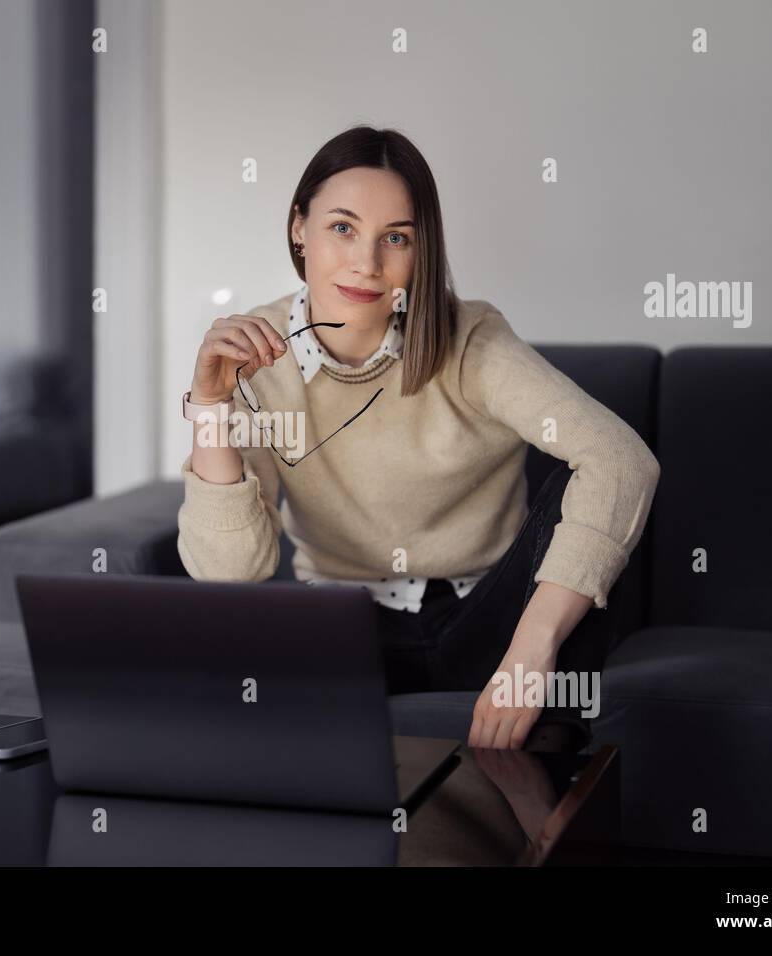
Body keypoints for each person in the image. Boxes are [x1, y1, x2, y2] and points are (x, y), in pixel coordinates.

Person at [176, 125, 660, 752]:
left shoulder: (471, 341)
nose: (367, 264)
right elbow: (232, 574)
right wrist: (211, 403)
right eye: (342, 228)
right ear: (300, 227)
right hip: (344, 629)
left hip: (490, 617)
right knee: (241, 714)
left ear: (419, 248)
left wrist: (529, 650)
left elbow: (622, 459)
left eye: (395, 238)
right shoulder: (257, 355)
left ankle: (552, 749)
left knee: (585, 485)